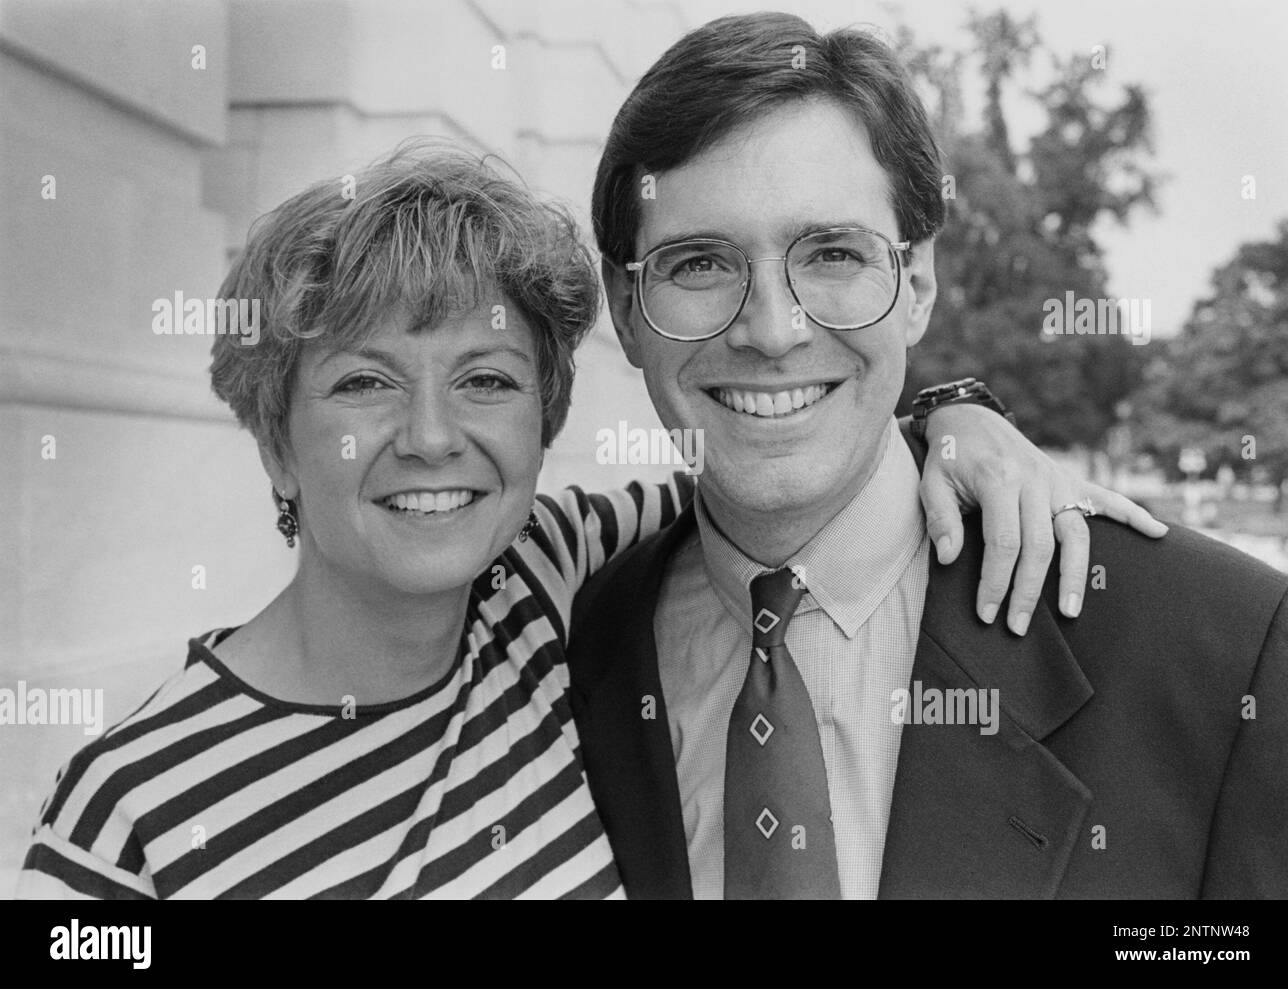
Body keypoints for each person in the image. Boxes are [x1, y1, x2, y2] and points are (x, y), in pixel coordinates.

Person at [15, 141, 1151, 901]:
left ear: (545, 419)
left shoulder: (549, 577)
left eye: (487, 380)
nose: (430, 436)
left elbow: (792, 464)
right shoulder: (134, 810)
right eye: (363, 382)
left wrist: (951, 419)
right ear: (274, 433)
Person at [568, 12, 1288, 899]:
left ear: (915, 286)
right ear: (625, 309)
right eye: (699, 264)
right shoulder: (577, 642)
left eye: (834, 253)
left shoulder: (1227, 653)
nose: (771, 330)